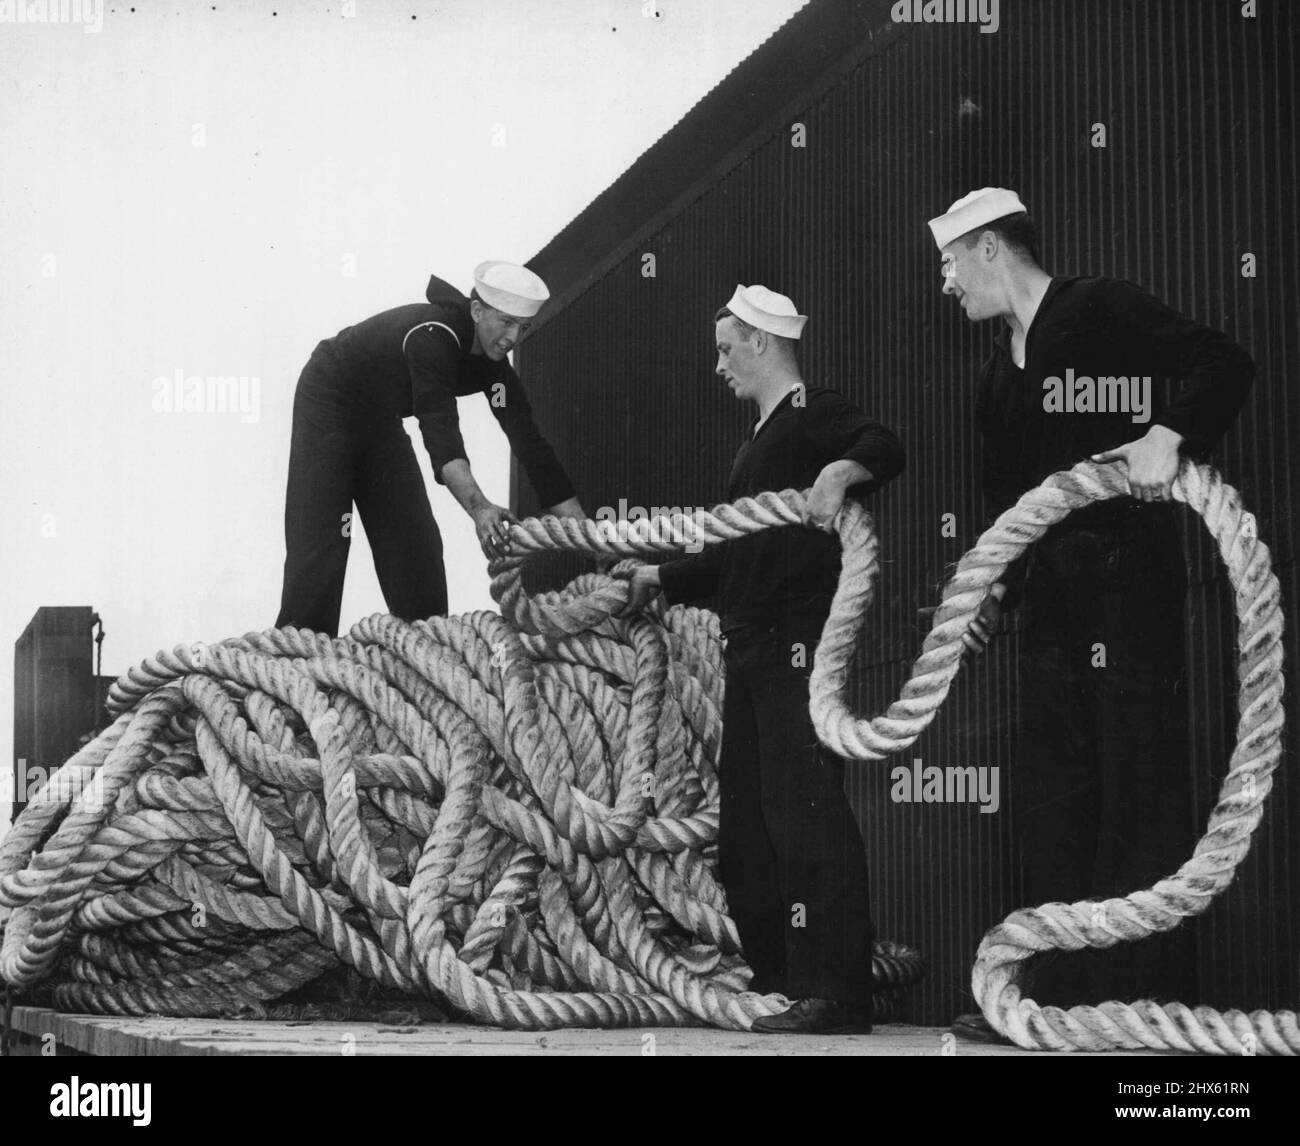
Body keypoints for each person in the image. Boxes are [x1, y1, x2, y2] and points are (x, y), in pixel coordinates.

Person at [928, 188, 1255, 1038]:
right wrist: (992, 592)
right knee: (1053, 798)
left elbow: (1222, 362)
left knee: (1137, 785)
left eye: (950, 263)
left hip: (1125, 578)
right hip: (1050, 605)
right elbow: (1008, 510)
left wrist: (1169, 434)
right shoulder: (996, 379)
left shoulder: (1098, 308)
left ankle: (1143, 1006)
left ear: (990, 247)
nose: (946, 283)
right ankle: (1053, 1003)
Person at [622, 284, 905, 1033]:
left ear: (761, 341)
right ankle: (781, 979)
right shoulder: (755, 444)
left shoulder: (813, 412)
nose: (718, 365)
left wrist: (839, 474)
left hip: (795, 645)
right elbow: (730, 559)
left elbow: (884, 444)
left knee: (806, 811)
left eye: (725, 349)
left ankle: (835, 992)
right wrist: (659, 576)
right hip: (747, 648)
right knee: (748, 828)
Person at [275, 261, 585, 637]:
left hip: (380, 418)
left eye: (523, 327)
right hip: (330, 396)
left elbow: (532, 447)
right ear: (477, 310)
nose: (512, 337)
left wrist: (589, 537)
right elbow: (441, 433)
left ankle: (425, 649)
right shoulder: (434, 336)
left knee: (416, 545)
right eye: (506, 322)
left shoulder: (495, 371)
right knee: (323, 542)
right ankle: (300, 649)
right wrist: (480, 508)